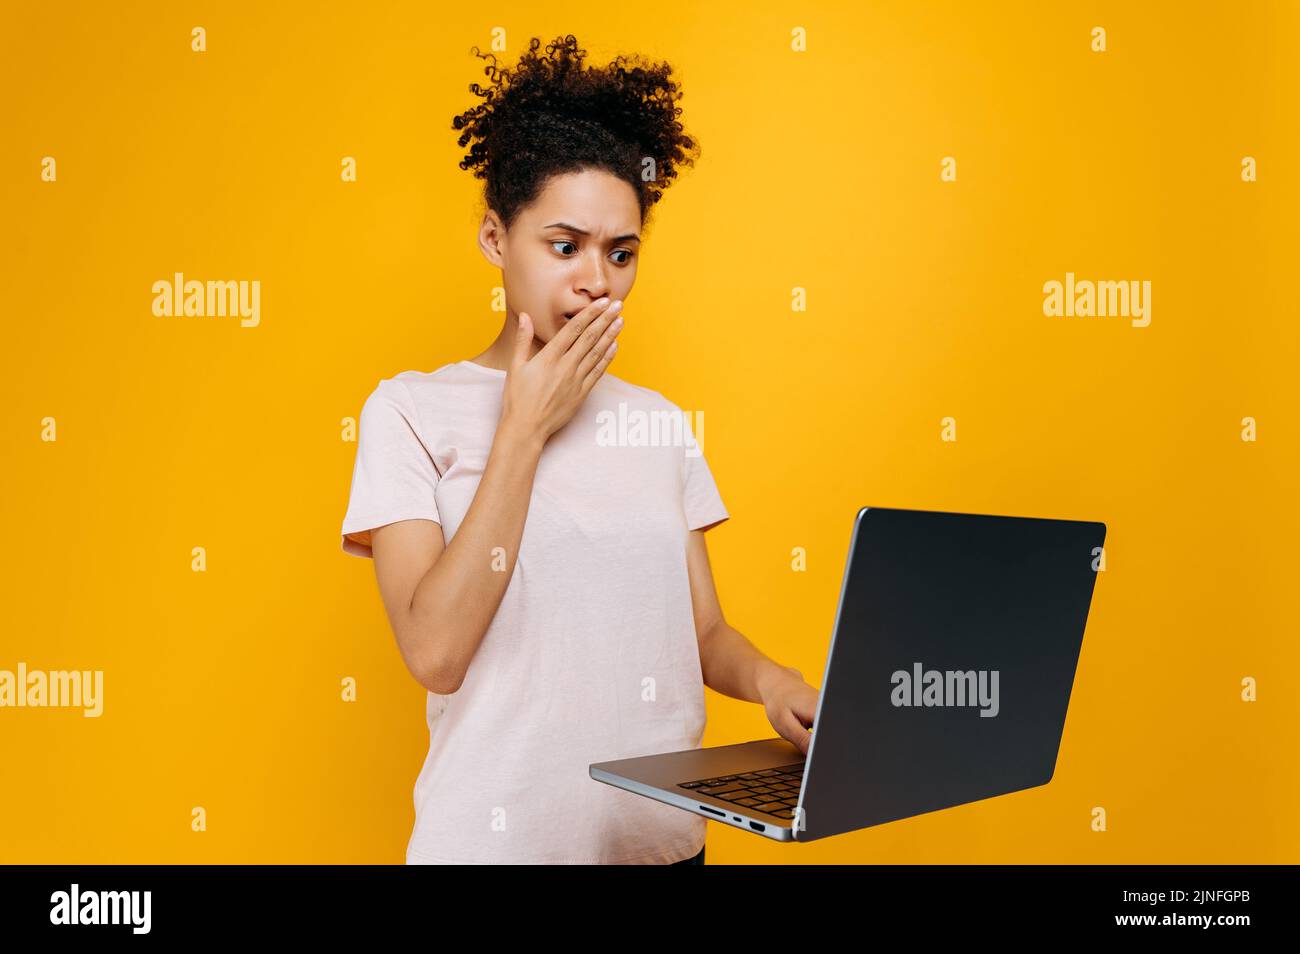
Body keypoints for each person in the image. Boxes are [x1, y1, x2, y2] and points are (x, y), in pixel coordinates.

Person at [340, 34, 819, 865]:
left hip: (661, 849)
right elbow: (436, 652)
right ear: (496, 238)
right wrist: (523, 430)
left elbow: (700, 632)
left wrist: (777, 686)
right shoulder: (408, 411)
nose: (597, 280)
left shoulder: (659, 423)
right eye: (565, 246)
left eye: (621, 253)